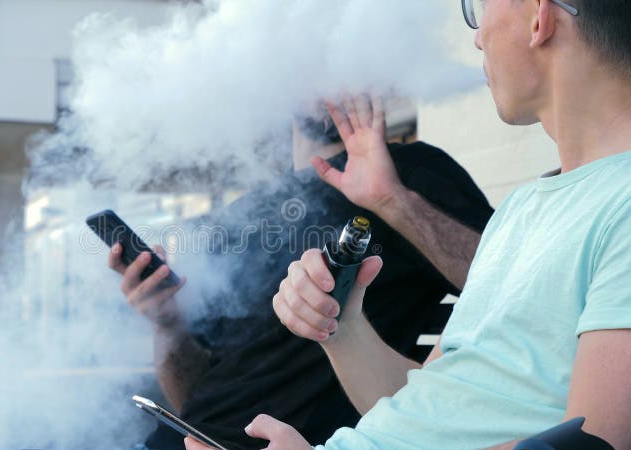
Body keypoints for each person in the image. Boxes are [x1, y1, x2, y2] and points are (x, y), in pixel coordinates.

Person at [185, 0, 631, 448]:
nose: (476, 36)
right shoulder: (521, 209)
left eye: (478, 8)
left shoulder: (622, 205)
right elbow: (428, 401)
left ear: (539, 16)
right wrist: (342, 328)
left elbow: (593, 444)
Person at [110, 118, 493, 449]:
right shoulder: (246, 209)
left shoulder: (411, 173)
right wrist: (166, 321)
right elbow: (194, 398)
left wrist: (393, 201)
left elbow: (508, 279)